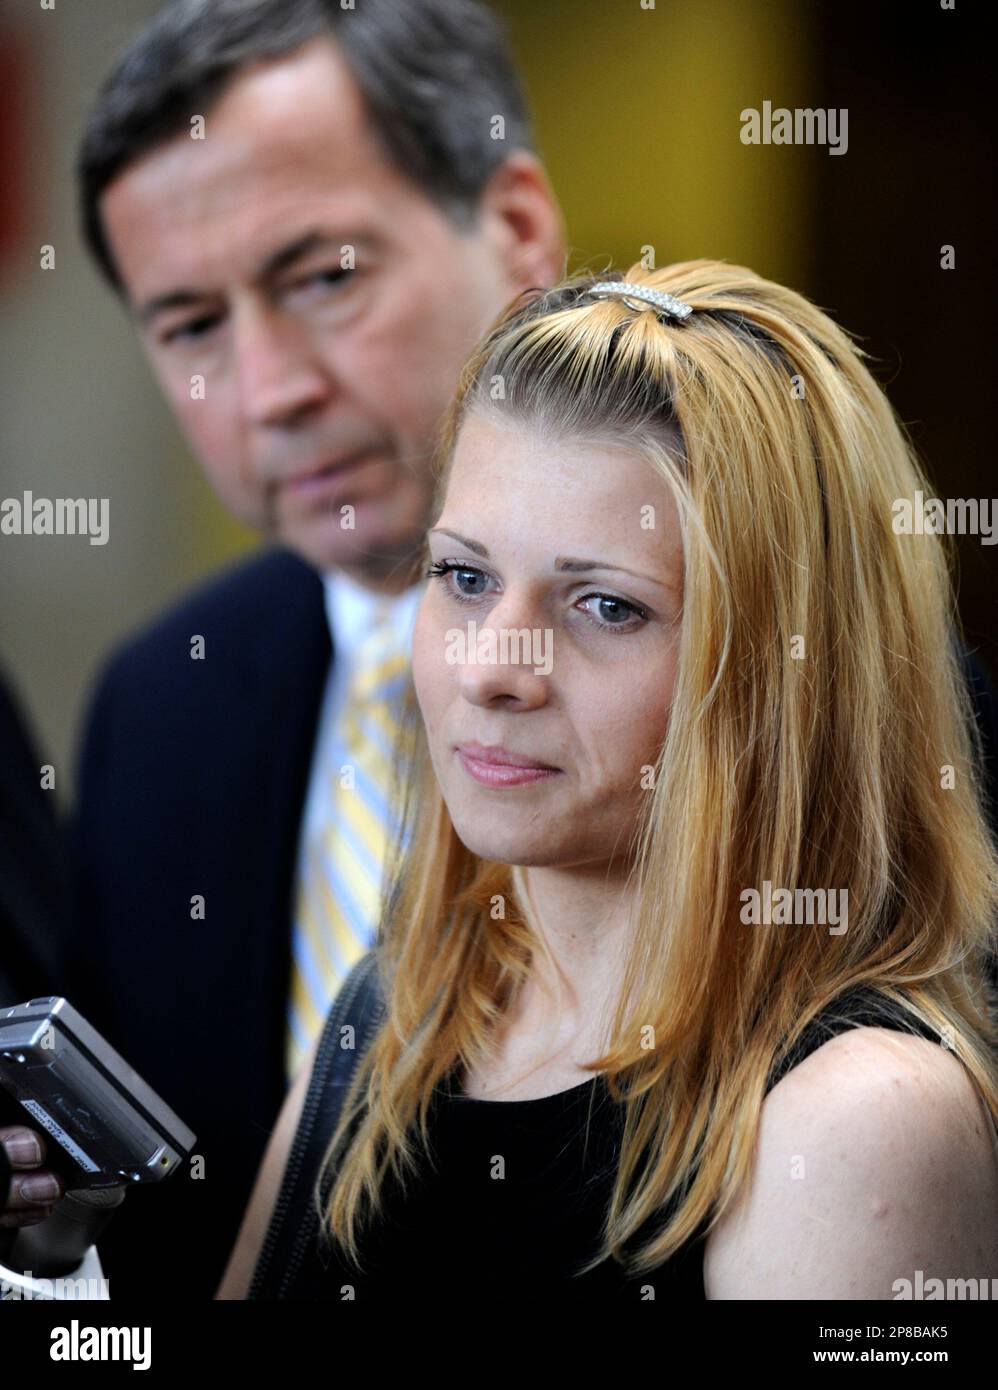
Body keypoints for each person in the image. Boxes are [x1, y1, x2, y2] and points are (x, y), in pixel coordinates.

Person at [215, 262, 998, 1300]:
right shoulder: (391, 1019)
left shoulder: (855, 1119)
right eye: (464, 577)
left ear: (785, 671)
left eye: (605, 607)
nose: (490, 668)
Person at [55, 0, 563, 1299]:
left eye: (324, 275)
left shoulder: (778, 658)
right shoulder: (161, 704)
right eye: (191, 326)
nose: (270, 385)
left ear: (513, 229)